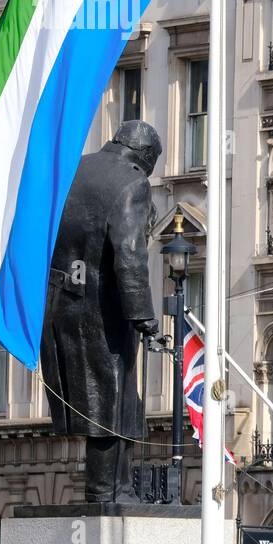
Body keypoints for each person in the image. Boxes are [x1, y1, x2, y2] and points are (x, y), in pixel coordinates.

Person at [40, 120, 161, 503]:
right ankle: (105, 492)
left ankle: (117, 488)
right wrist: (142, 313)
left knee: (111, 399)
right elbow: (129, 254)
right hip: (102, 310)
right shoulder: (131, 183)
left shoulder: (73, 170)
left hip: (60, 305)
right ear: (144, 157)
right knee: (110, 400)